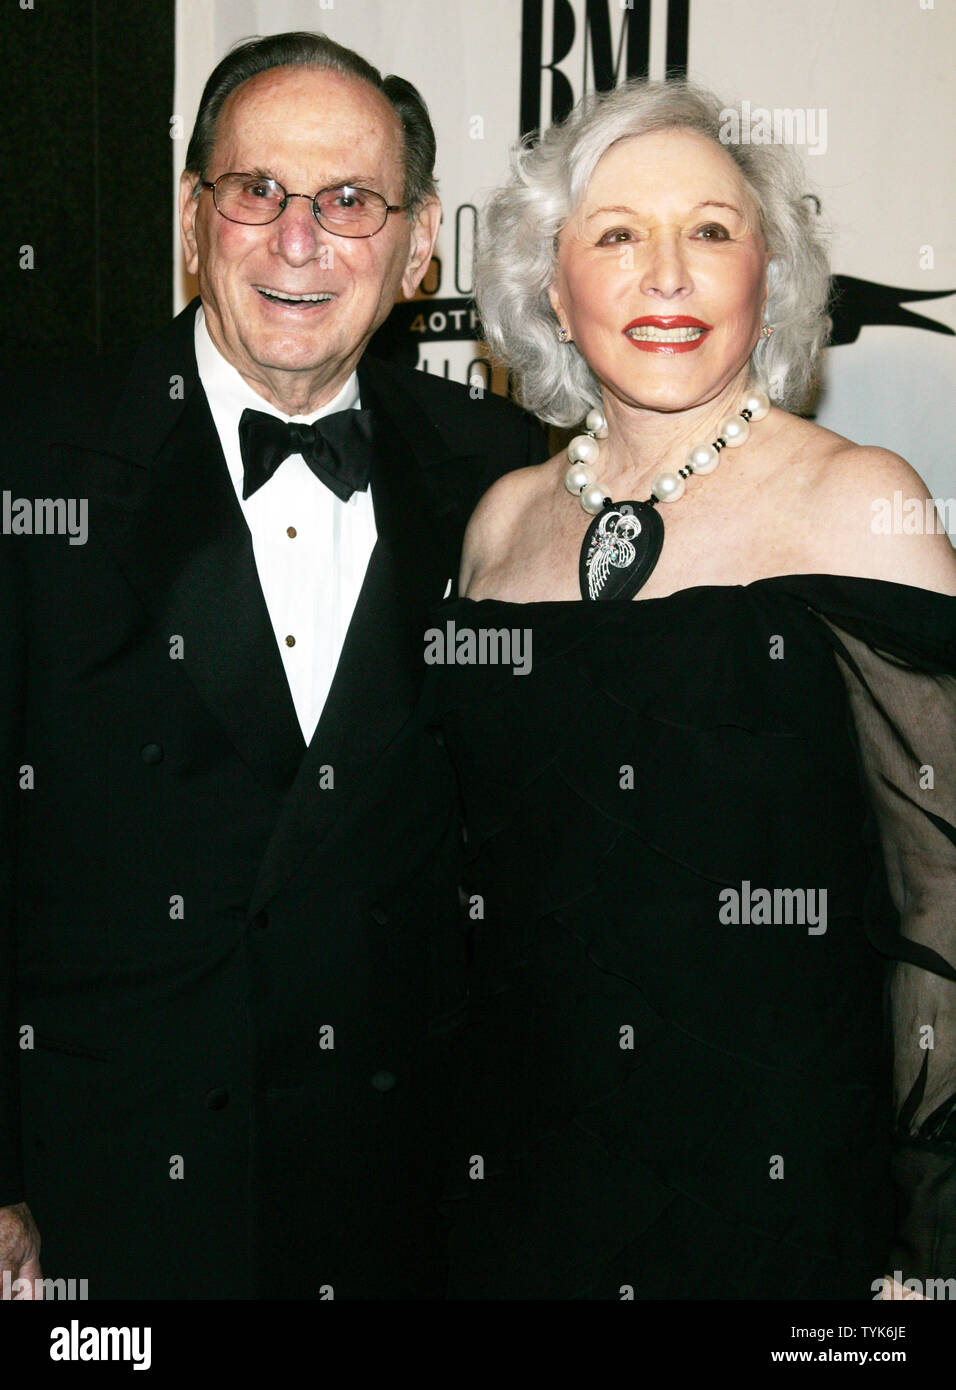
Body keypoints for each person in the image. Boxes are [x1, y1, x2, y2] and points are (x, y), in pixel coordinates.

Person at [0, 30, 545, 1300]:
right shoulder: (33, 456)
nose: (299, 239)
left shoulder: (504, 474)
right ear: (194, 220)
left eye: (350, 201)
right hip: (101, 1206)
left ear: (419, 248)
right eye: (257, 193)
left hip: (393, 1205)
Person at [427, 79, 956, 1299]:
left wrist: (929, 1250)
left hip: (770, 1196)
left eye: (709, 231)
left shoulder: (856, 504)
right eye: (615, 234)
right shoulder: (498, 524)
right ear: (552, 288)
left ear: (765, 277)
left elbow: (944, 904)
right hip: (515, 1180)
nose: (665, 274)